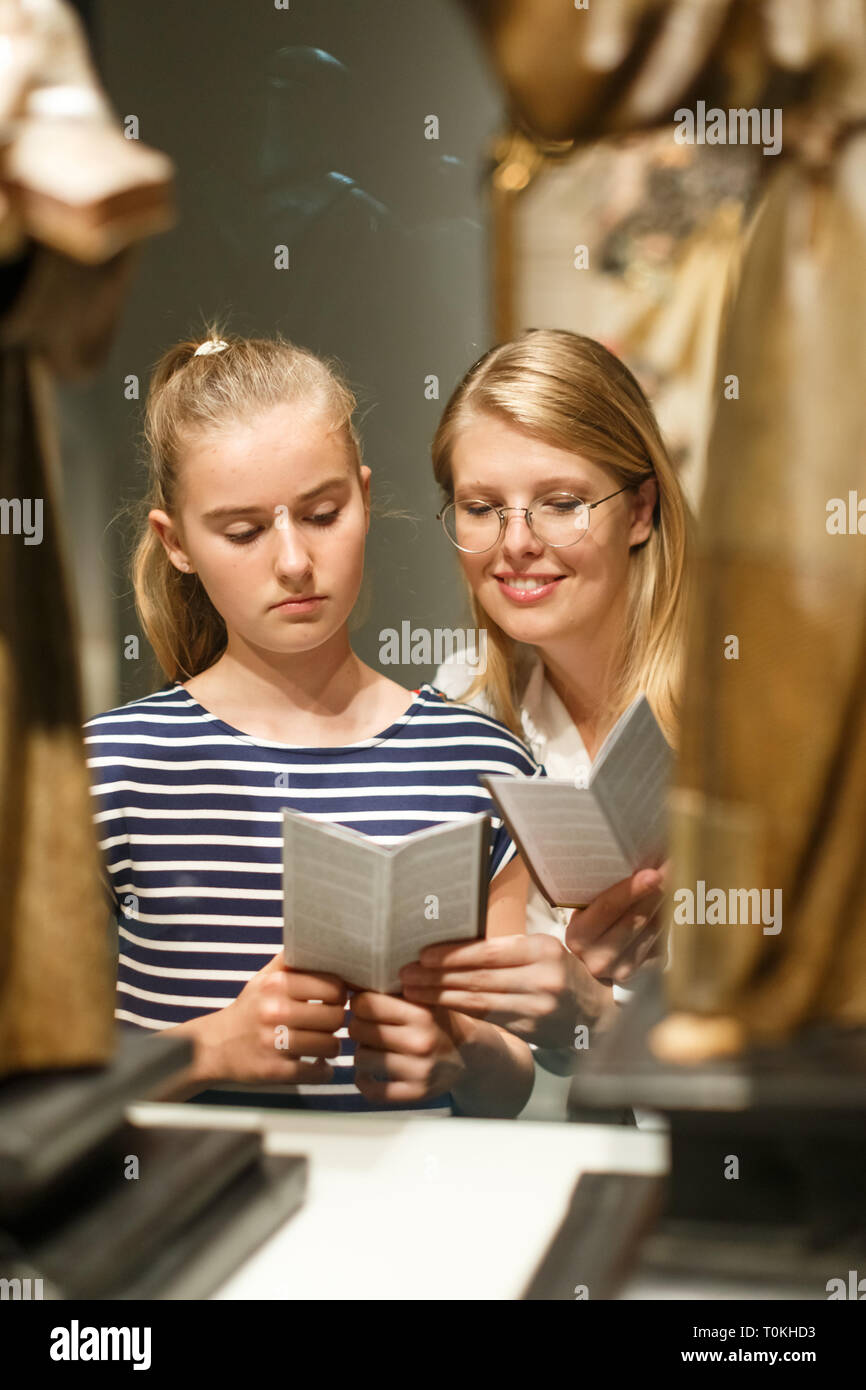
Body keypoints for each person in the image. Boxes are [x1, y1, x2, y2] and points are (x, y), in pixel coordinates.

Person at [83, 331, 541, 1118]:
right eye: (243, 531)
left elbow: (513, 1080)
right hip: (185, 1216)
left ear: (364, 497)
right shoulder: (112, 769)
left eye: (323, 513)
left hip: (414, 1210)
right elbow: (39, 1077)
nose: (294, 561)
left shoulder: (481, 762)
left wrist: (459, 1052)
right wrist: (213, 1046)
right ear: (176, 543)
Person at [400, 329, 692, 1102]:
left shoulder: (743, 701)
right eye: (481, 508)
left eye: (561, 504)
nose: (516, 544)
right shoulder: (467, 699)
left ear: (639, 510)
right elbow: (496, 1051)